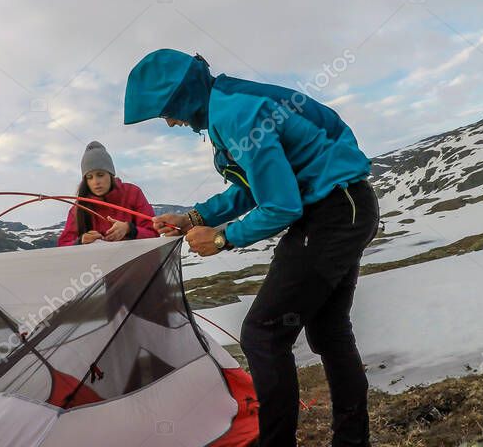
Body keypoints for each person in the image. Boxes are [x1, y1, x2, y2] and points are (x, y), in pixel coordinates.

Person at [123, 49, 379, 447]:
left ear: (183, 95)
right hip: (345, 205)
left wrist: (223, 238)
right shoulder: (229, 103)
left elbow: (281, 204)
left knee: (262, 333)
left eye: (167, 112)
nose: (171, 122)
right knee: (328, 332)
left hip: (331, 212)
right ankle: (353, 440)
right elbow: (249, 187)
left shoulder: (236, 116)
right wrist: (195, 217)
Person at [56, 141, 158, 246]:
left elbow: (154, 233)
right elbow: (63, 244)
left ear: (110, 174)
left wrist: (129, 229)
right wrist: (80, 241)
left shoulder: (132, 193)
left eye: (100, 175)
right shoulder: (79, 207)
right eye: (89, 177)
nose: (96, 182)